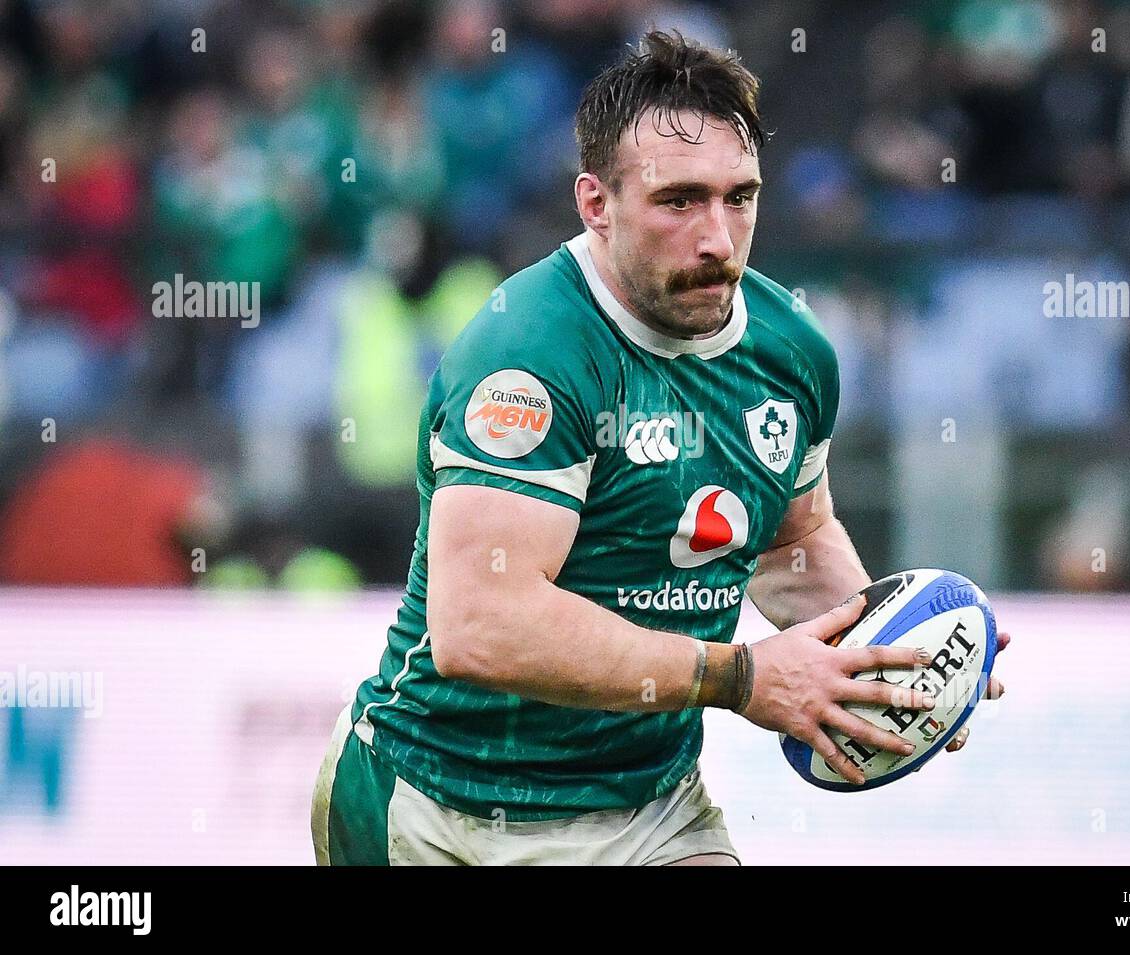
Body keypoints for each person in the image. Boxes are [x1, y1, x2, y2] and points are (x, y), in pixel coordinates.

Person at [312, 30, 1007, 866]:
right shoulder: (530, 352)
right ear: (596, 204)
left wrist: (885, 667)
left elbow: (790, 541)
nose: (718, 237)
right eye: (679, 201)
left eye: (739, 197)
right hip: (441, 807)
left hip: (650, 809)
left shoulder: (792, 349)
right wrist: (743, 677)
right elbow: (479, 626)